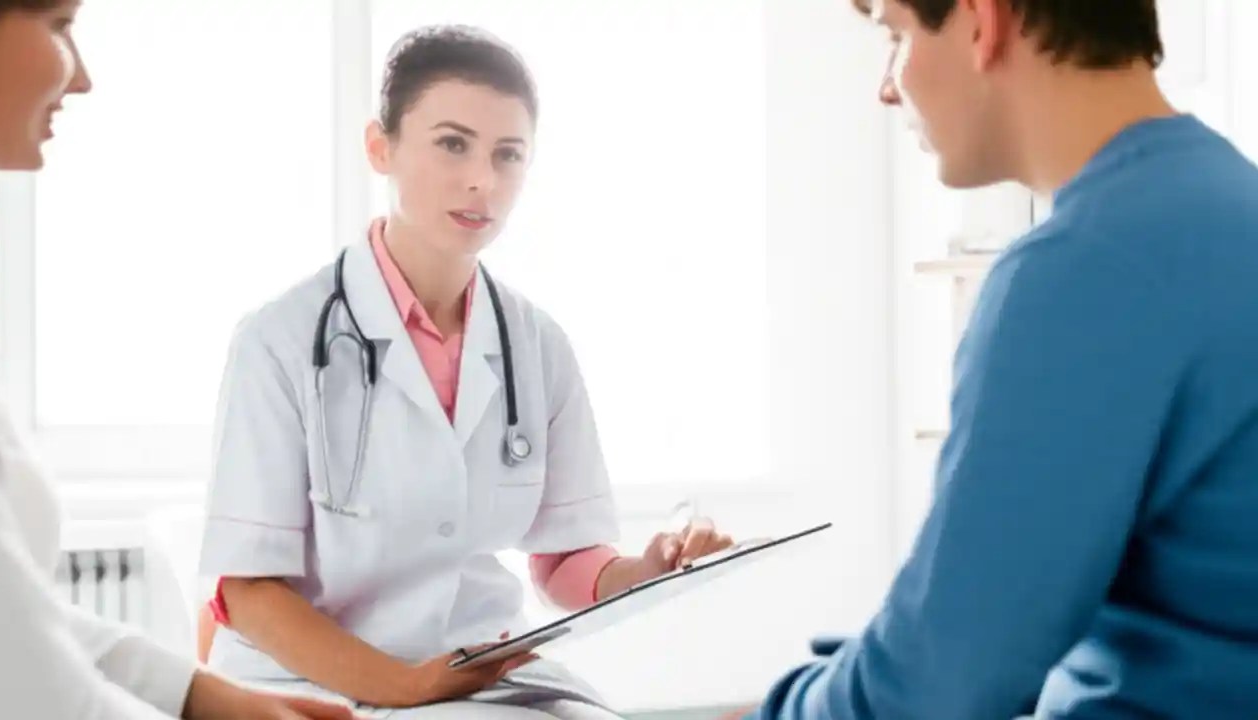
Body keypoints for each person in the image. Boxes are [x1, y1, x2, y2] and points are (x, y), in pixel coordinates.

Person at [730, 0, 1258, 718]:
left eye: (897, 35)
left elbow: (938, 687)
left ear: (983, 21)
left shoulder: (1084, 267)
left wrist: (782, 709)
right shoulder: (1230, 207)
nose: (888, 85)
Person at [198, 25, 735, 719]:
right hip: (305, 682)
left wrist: (645, 572)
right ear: (379, 148)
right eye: (453, 144)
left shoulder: (537, 345)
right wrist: (405, 686)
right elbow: (247, 592)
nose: (483, 179)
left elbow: (563, 562)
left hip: (472, 672)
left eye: (508, 155)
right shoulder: (280, 339)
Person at [0, 1, 360, 717]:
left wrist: (209, 700)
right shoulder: (273, 338)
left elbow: (7, 624)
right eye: (59, 26)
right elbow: (21, 680)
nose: (82, 78)